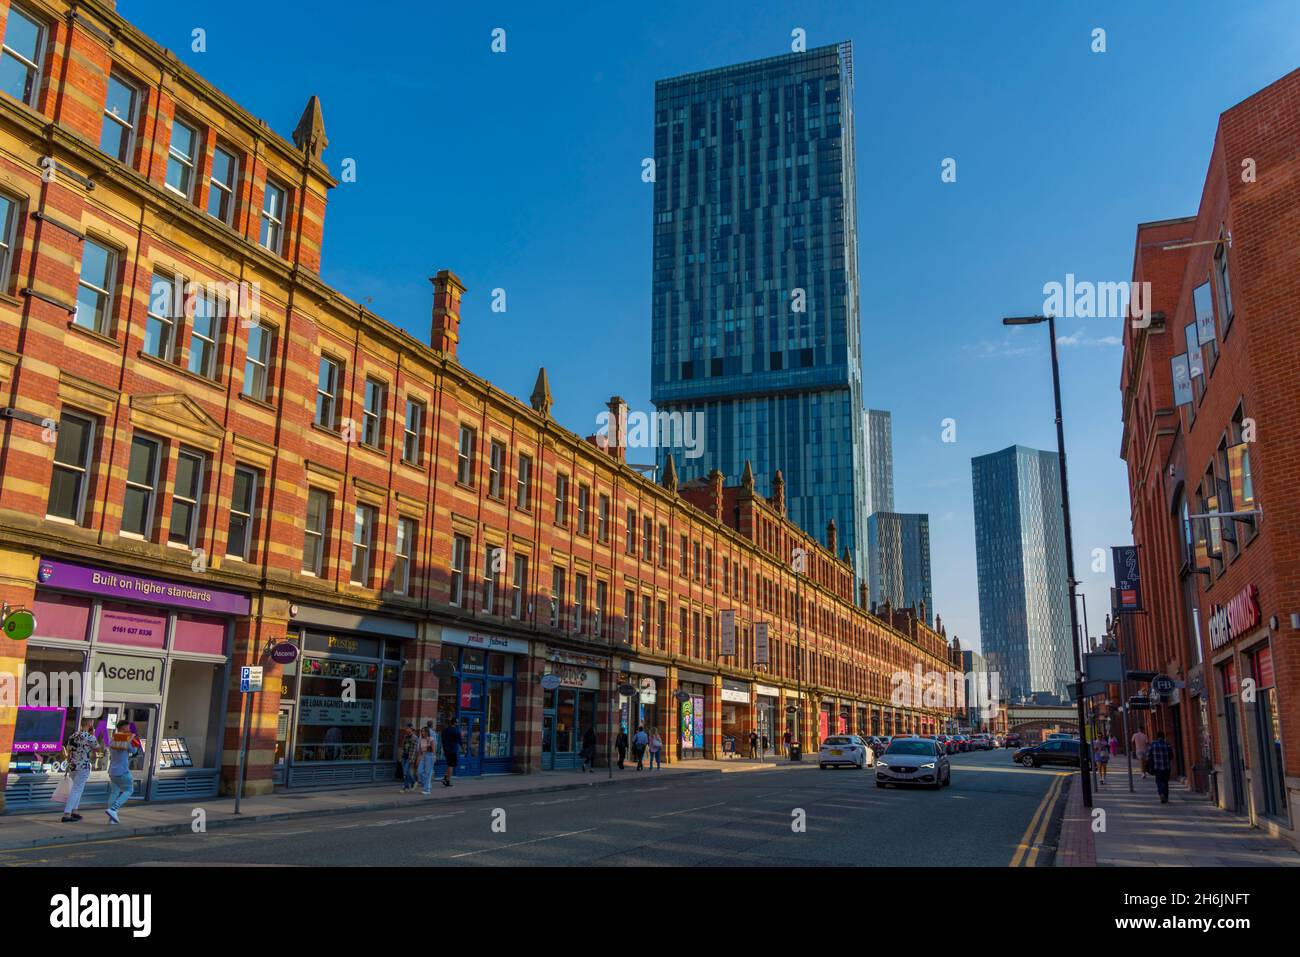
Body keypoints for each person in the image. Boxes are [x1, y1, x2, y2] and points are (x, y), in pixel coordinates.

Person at [60, 719, 101, 823]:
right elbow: (98, 748)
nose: (92, 725)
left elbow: (68, 749)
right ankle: (67, 813)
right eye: (91, 723)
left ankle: (75, 810)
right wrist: (93, 734)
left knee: (78, 789)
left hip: (72, 766)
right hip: (83, 766)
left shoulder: (73, 735)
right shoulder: (89, 736)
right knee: (76, 789)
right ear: (89, 724)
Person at [105, 720, 137, 824]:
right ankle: (113, 809)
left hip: (112, 771)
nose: (129, 729)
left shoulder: (113, 739)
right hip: (123, 771)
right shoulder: (125, 739)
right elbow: (133, 751)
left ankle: (112, 818)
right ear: (123, 728)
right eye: (127, 727)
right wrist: (133, 741)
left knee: (114, 792)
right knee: (129, 790)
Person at [1148, 731, 1174, 803]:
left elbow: (1149, 755)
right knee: (1165, 782)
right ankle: (1166, 797)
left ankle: (1161, 793)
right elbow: (1171, 756)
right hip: (1166, 767)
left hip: (1157, 767)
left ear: (1157, 737)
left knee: (1159, 781)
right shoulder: (1167, 745)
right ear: (1164, 737)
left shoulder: (1153, 744)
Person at [440, 720, 462, 788]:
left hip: (446, 750)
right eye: (457, 722)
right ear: (455, 723)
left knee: (449, 765)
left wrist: (444, 748)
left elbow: (442, 740)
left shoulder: (445, 730)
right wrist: (463, 748)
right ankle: (447, 781)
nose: (457, 723)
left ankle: (445, 778)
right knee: (451, 765)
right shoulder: (456, 730)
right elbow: (460, 740)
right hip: (453, 750)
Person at [416, 726, 436, 794]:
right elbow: (422, 750)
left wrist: (433, 756)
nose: (422, 732)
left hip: (429, 756)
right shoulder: (422, 739)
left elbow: (433, 749)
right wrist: (419, 757)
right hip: (424, 756)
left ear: (427, 732)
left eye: (423, 731)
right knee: (419, 771)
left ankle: (427, 790)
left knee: (427, 773)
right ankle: (428, 784)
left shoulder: (431, 739)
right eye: (421, 731)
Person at [399, 723, 418, 792]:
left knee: (406, 772)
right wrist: (401, 756)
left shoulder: (415, 738)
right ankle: (411, 784)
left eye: (407, 728)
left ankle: (408, 785)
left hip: (410, 757)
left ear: (411, 729)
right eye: (406, 728)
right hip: (404, 756)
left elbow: (414, 749)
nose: (406, 729)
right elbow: (403, 747)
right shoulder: (406, 736)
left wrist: (411, 759)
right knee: (407, 772)